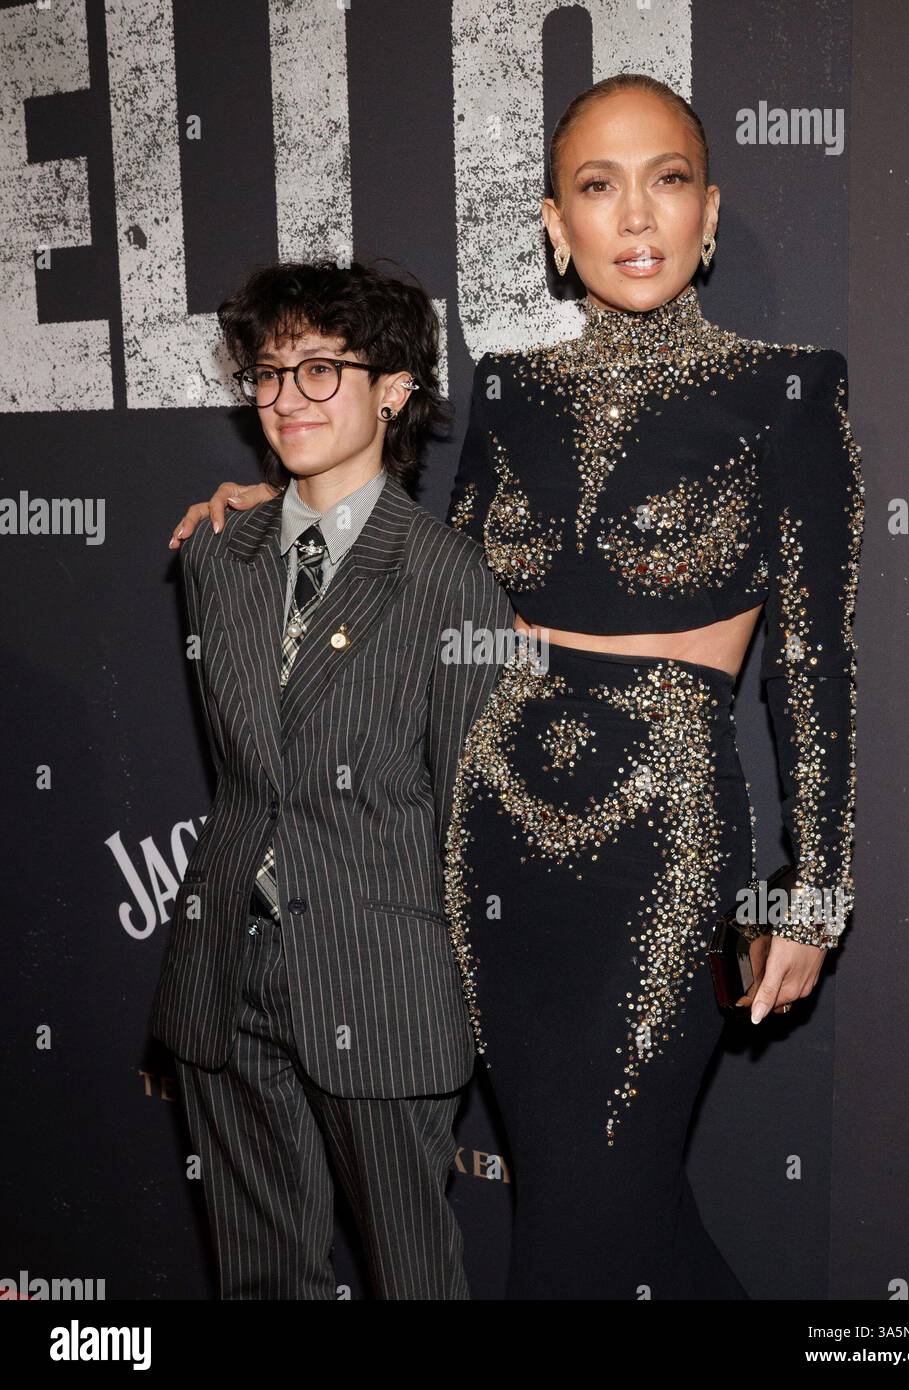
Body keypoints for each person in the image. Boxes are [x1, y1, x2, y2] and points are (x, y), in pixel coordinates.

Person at [169, 75, 865, 1301]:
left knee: (602, 1205)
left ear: (710, 210)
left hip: (664, 848)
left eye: (667, 180)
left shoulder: (792, 388)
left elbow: (812, 661)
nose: (635, 215)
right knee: (584, 1208)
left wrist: (809, 895)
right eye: (599, 187)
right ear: (556, 223)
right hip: (488, 847)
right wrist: (279, 527)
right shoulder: (516, 388)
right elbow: (434, 586)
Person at [151, 257, 513, 1299]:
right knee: (261, 1276)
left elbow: (470, 825)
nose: (287, 398)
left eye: (321, 370)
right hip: (228, 975)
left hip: (382, 980)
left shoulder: (449, 577)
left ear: (393, 386)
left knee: (414, 1280)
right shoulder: (220, 555)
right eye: (270, 374)